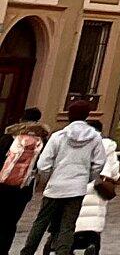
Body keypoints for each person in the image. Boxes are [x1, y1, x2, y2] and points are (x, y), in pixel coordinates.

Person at [23, 99, 108, 255]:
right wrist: (86, 177)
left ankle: (27, 252)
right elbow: (99, 163)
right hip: (77, 188)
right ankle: (62, 252)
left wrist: (48, 178)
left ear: (69, 115)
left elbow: (44, 163)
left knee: (41, 223)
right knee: (68, 226)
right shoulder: (95, 137)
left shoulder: (58, 136)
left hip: (55, 186)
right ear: (86, 116)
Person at [61, 127, 115, 255]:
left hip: (74, 184)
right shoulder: (107, 146)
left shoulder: (71, 142)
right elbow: (114, 172)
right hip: (97, 187)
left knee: (74, 218)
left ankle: (70, 246)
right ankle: (91, 245)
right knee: (94, 220)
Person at [0, 111, 46, 252]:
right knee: (11, 222)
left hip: (2, 184)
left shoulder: (8, 137)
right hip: (24, 187)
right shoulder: (42, 140)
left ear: (21, 119)